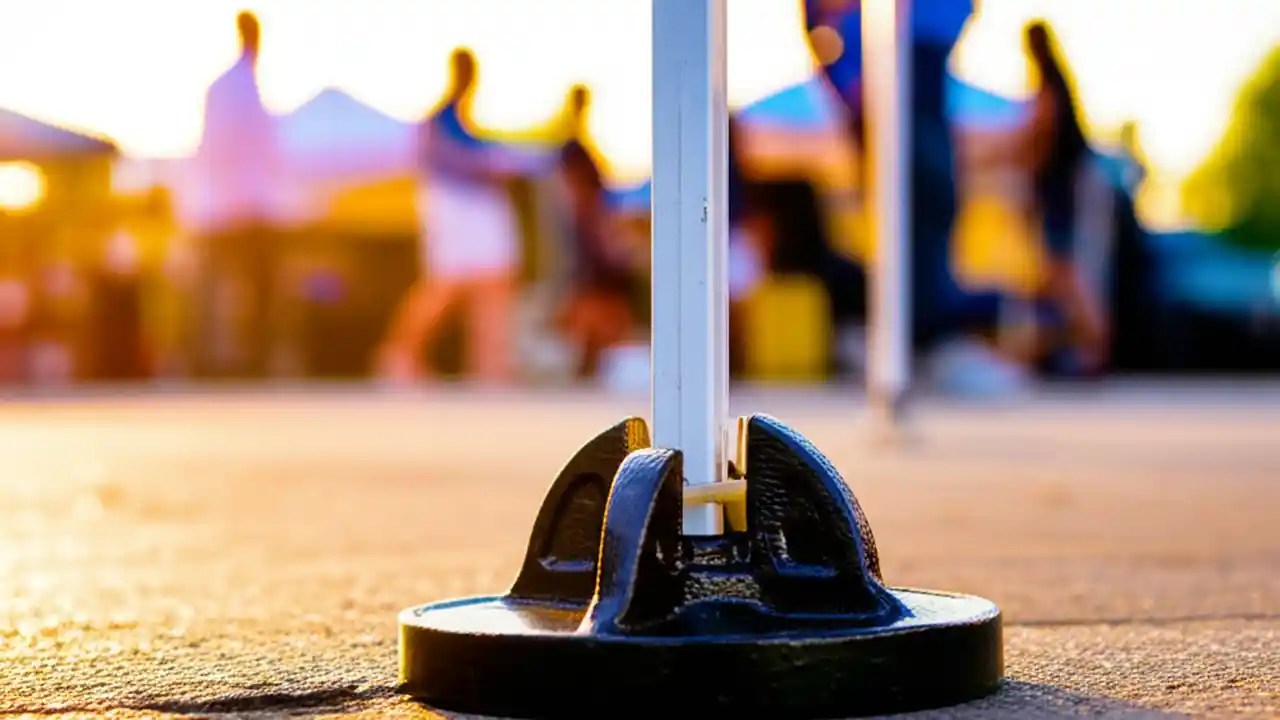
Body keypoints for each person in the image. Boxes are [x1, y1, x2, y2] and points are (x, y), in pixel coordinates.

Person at [376, 48, 521, 385]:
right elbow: (448, 163)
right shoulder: (441, 121)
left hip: (472, 207)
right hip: (457, 208)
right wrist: (491, 166)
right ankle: (399, 355)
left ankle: (489, 366)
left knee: (492, 284)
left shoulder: (457, 121)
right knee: (446, 284)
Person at [189, 10, 285, 378]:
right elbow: (224, 150)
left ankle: (242, 361)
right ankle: (223, 363)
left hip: (238, 206)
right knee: (233, 290)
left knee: (247, 290)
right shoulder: (234, 88)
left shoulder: (240, 85)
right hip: (234, 209)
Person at [1022, 20, 1110, 374]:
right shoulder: (1056, 83)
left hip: (1061, 188)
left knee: (1065, 270)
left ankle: (1094, 346)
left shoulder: (1049, 86)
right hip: (1064, 186)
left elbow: (1040, 135)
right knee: (1059, 272)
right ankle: (1087, 345)